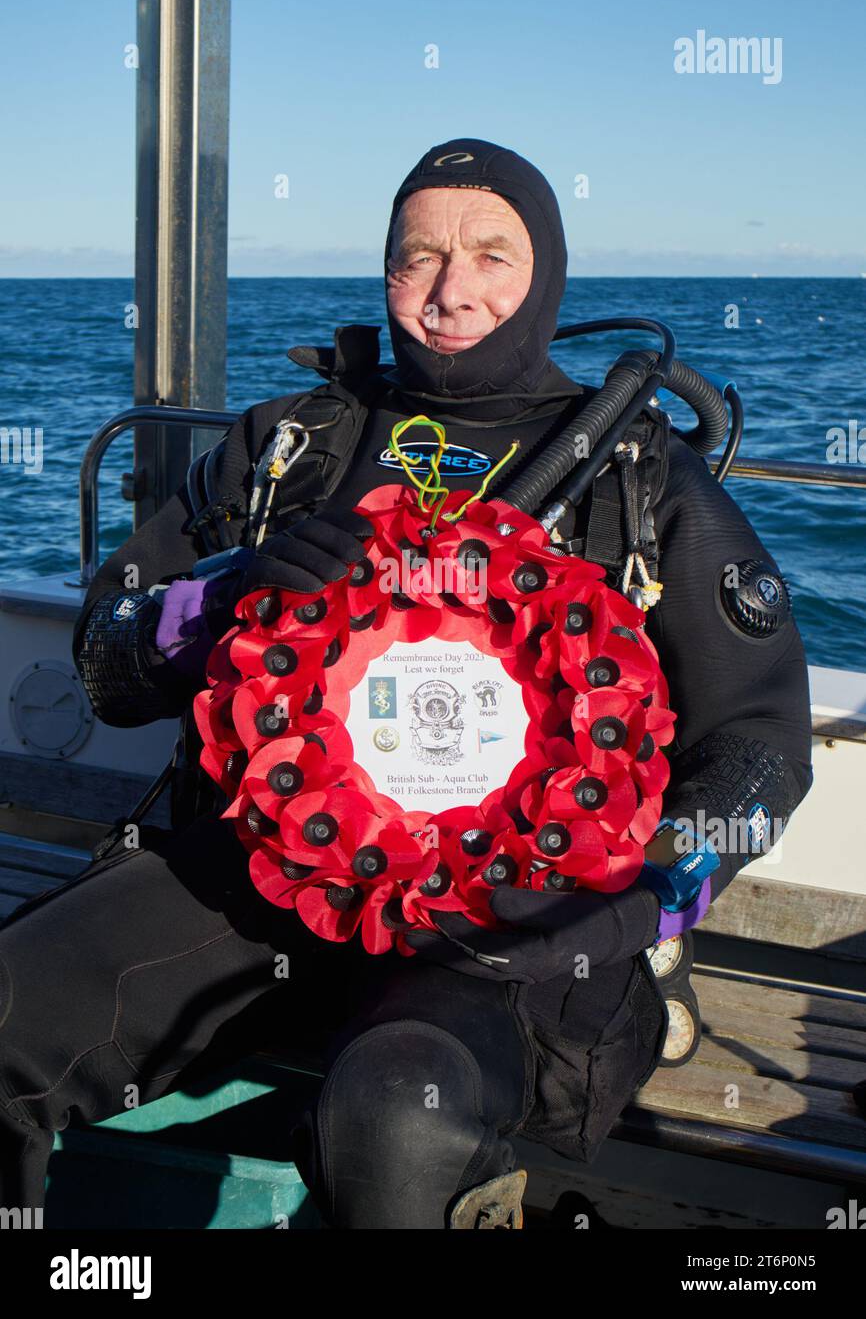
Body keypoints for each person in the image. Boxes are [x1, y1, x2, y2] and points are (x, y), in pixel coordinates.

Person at [0, 139, 812, 1229]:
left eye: (490, 252)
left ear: (546, 273)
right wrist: (220, 600)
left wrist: (638, 901)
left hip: (515, 926)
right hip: (260, 884)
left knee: (396, 1114)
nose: (450, 287)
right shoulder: (290, 447)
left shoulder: (639, 478)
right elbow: (106, 657)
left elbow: (761, 747)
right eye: (415, 255)